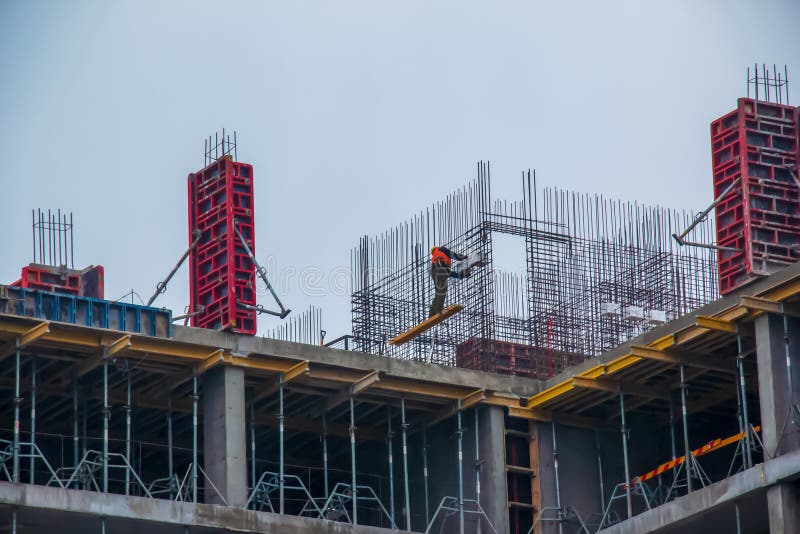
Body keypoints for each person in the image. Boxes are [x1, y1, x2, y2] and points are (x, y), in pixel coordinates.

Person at [429, 245, 469, 317]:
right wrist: (462, 257)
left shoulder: (435, 258)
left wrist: (460, 276)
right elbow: (453, 255)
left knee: (439, 291)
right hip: (440, 269)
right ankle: (438, 311)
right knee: (442, 290)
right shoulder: (441, 249)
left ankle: (432, 313)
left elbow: (448, 272)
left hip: (434, 272)